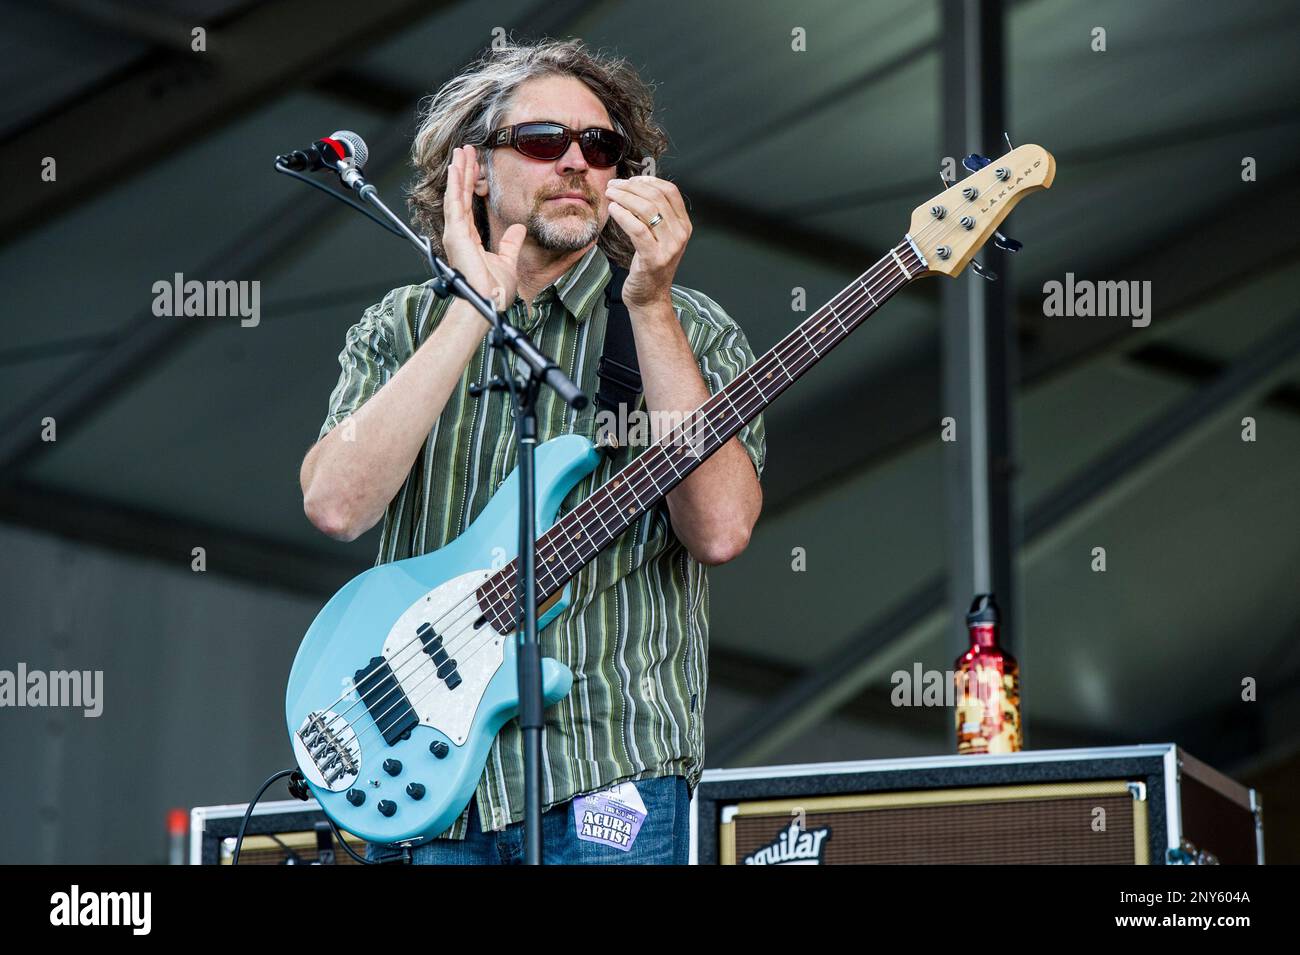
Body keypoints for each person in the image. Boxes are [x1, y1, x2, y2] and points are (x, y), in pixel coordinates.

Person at [299, 37, 765, 864]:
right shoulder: (402, 324)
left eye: (603, 147)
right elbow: (338, 504)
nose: (578, 163)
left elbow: (721, 529)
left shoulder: (689, 326)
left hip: (610, 769)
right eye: (546, 141)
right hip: (426, 787)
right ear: (473, 170)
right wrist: (469, 315)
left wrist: (650, 305)